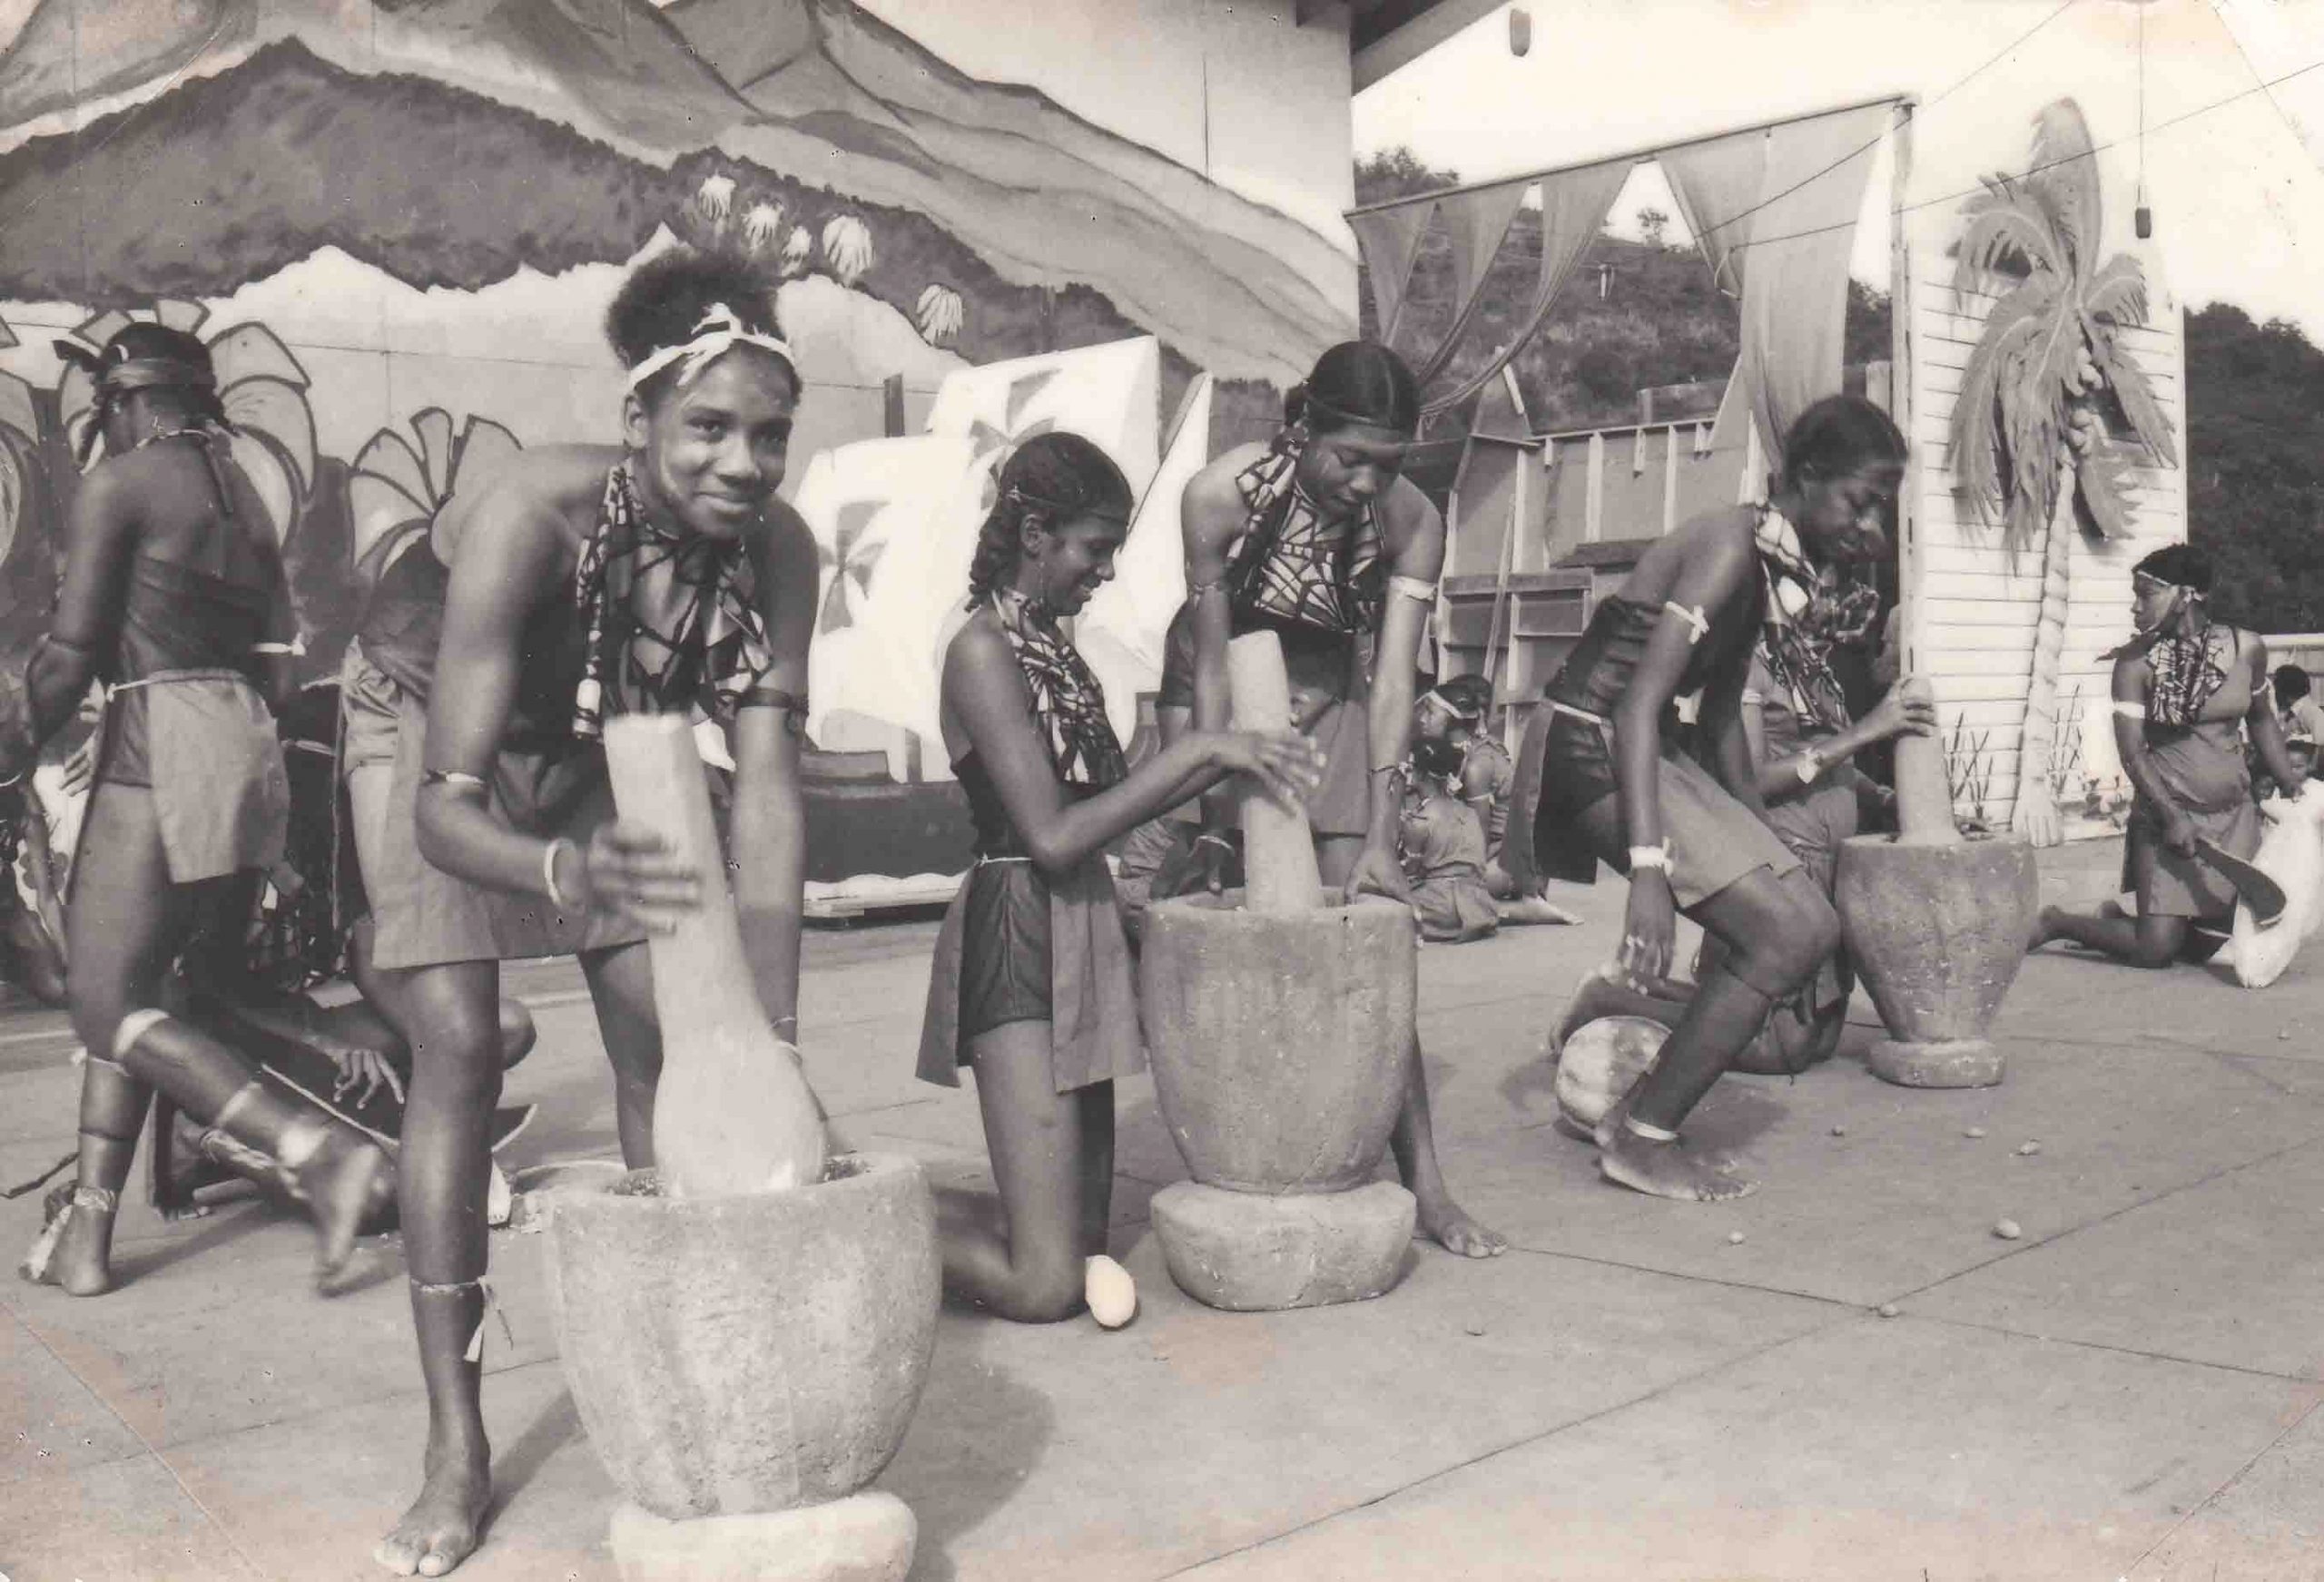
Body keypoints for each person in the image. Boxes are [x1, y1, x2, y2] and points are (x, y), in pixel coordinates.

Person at [369, 251, 818, 1579]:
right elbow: (447, 810)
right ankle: (455, 1443)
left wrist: (772, 1032)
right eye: (708, 427)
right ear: (637, 419)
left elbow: (769, 793)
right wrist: (564, 871)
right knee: (457, 1042)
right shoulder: (529, 514)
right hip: (425, 737)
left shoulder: (778, 549)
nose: (744, 463)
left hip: (587, 740)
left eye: (771, 435)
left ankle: (688, 1366)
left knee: (672, 1037)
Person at [9, 324, 393, 1295]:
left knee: (106, 1002)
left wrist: (13, 749)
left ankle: (319, 1154)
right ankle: (89, 1239)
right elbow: (279, 665)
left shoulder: (122, 482)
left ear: (123, 400)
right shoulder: (244, 495)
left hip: (162, 742)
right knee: (150, 993)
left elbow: (69, 654)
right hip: (243, 748)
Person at [918, 433, 1322, 1322]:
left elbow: (1116, 800)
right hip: (1020, 925)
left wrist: (1234, 751)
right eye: (1094, 548)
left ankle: (944, 1213)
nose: (1104, 572)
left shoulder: (1054, 648)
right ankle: (864, 1216)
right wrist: (1201, 749)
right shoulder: (982, 651)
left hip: (1083, 926)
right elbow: (1054, 835)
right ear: (1034, 534)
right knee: (1046, 1286)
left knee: (1086, 1247)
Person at [1518, 394, 1907, 1202]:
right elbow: (1636, 705)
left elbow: (1723, 711)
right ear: (1807, 476)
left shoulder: (1764, 563)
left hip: (1642, 745)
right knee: (1782, 934)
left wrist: (1760, 843)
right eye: (1860, 502)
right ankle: (1642, 1134)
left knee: (1807, 924)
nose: (1871, 529)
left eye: (1882, 510)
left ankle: (1635, 1099)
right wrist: (1649, 873)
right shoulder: (1730, 547)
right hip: (1591, 741)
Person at [1175, 341, 1505, 1258]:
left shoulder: (1412, 520)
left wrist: (1382, 833)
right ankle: (1258, 1153)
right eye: (1348, 457)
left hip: (1337, 691)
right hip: (1222, 689)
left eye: (1385, 464)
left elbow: (1394, 677)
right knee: (1225, 941)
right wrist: (1212, 813)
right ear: (1302, 426)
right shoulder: (1218, 496)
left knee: (1364, 951)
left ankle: (1426, 1185)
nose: (1365, 482)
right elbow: (1209, 663)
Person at [2033, 545, 2306, 968]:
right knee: (2156, 950)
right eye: (2135, 595)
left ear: (2186, 595)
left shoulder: (2246, 647)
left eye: (2146, 595)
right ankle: (2060, 922)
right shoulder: (2135, 664)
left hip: (2234, 816)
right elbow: (2132, 751)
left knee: (2220, 942)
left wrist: (2288, 780)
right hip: (2167, 817)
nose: (2135, 607)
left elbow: (2261, 719)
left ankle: (2119, 922)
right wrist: (2171, 815)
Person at [1413, 674, 1577, 927]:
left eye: (1431, 712)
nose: (1423, 719)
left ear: (1453, 719)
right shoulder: (1460, 753)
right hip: (1498, 856)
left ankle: (1519, 910)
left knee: (1436, 891)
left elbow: (1477, 844)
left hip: (1512, 865)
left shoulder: (1477, 766)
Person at [1399, 736, 1500, 942]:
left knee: (1383, 898)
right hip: (1478, 906)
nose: (1406, 773)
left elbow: (1409, 875)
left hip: (1438, 907)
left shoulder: (1420, 821)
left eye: (1410, 769)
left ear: (1421, 774)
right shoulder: (1469, 813)